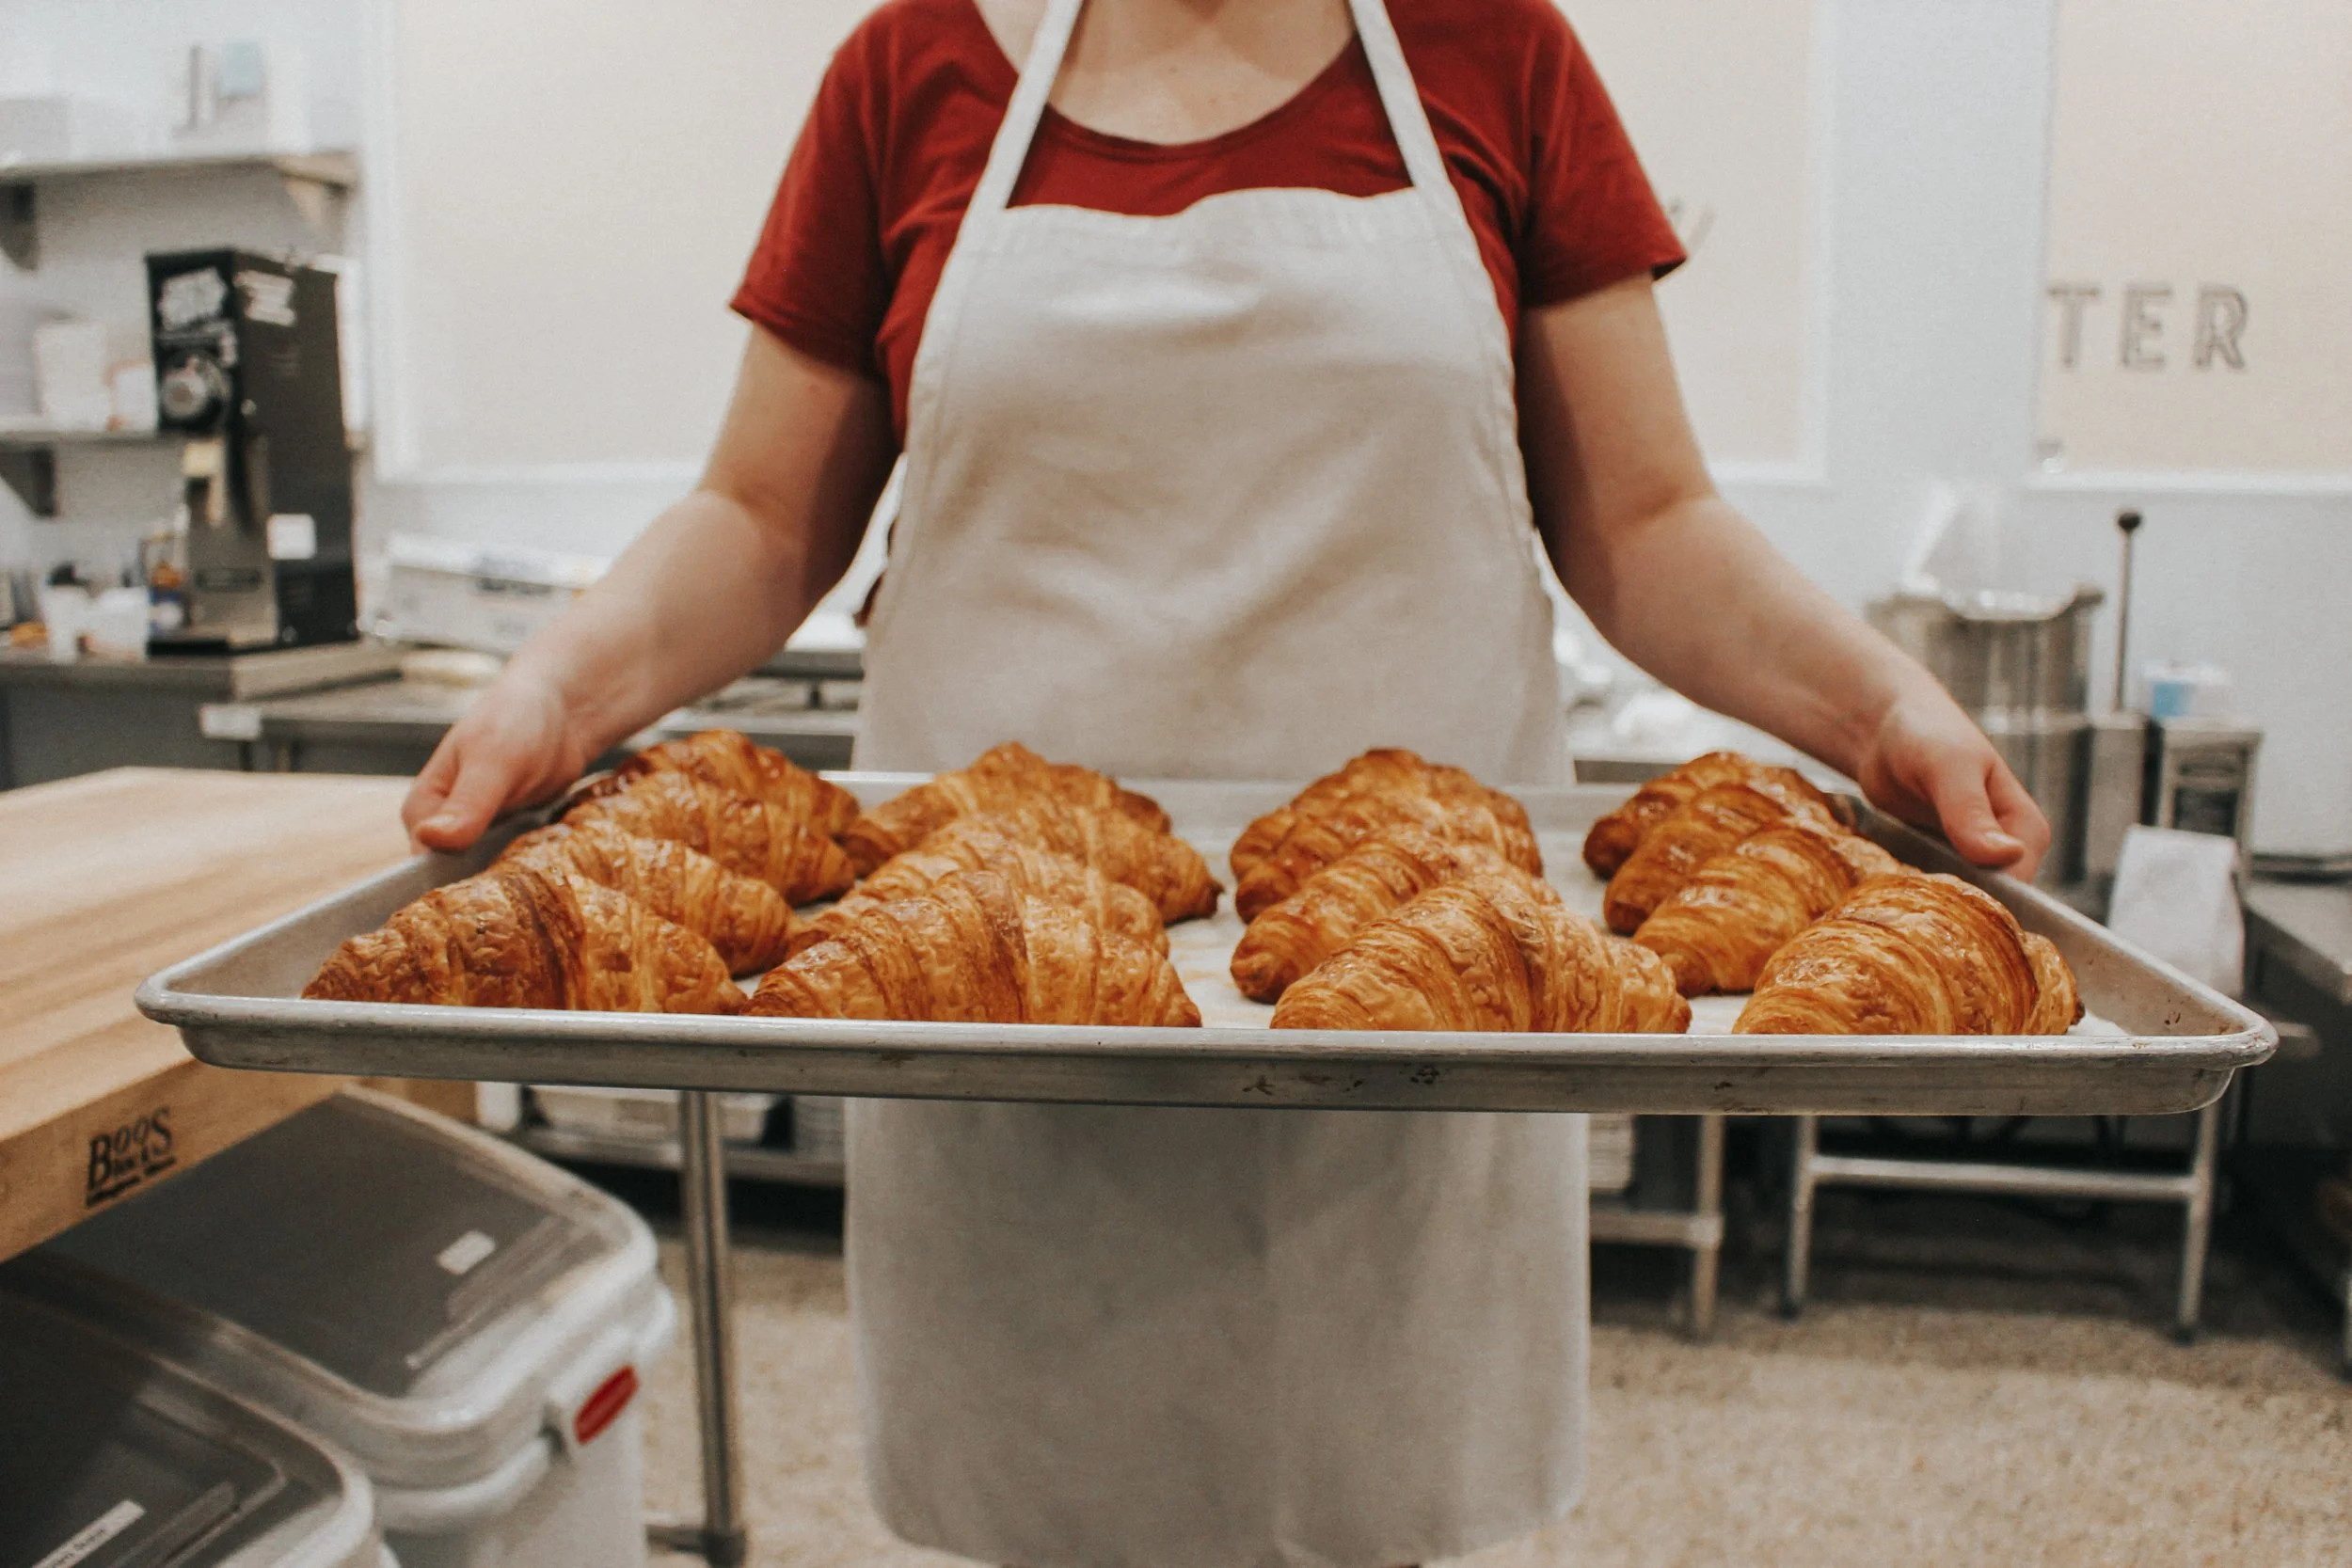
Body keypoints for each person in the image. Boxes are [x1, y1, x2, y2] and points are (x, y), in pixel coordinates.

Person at [405, 0, 2052, 1561]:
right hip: (1006, 1017)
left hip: (1419, 1019)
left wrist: (1875, 709)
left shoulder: (1496, 50)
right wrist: (558, 684)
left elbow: (1648, 522)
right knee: (1051, 1514)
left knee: (1364, 1511)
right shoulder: (910, 71)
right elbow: (760, 518)